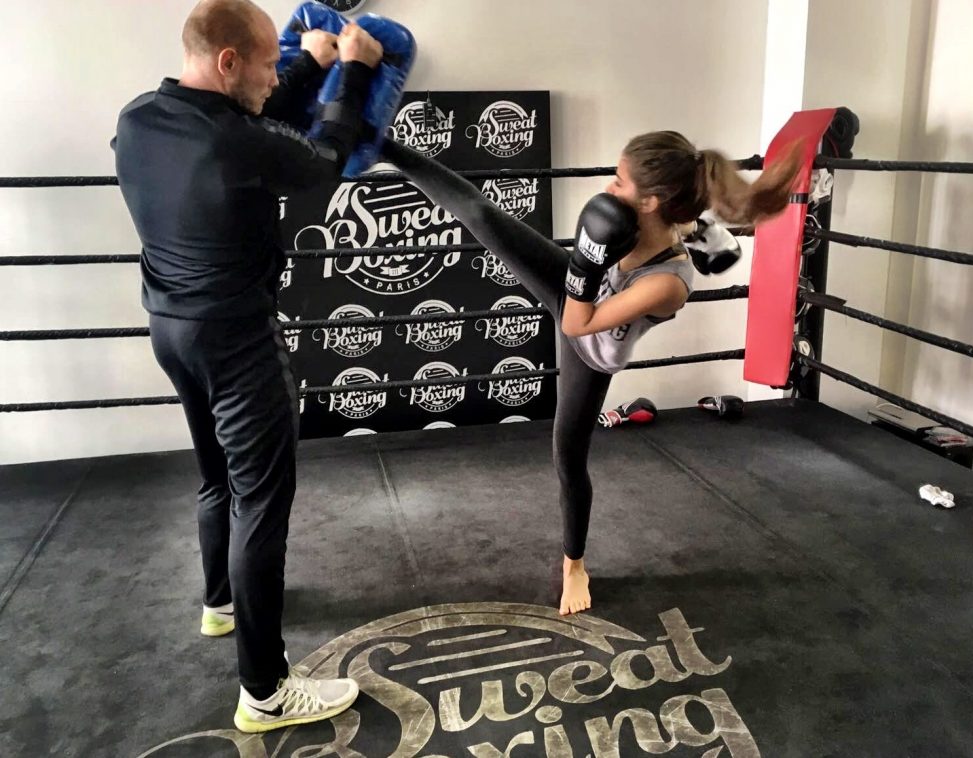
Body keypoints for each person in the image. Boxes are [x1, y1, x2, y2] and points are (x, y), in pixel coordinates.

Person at [380, 132, 800, 616]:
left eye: (619, 181)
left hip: (590, 342)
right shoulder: (657, 210)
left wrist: (586, 259)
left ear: (651, 200)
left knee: (567, 454)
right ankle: (383, 145)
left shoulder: (667, 283)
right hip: (582, 288)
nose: (608, 185)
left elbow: (576, 323)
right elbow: (677, 220)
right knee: (483, 217)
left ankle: (574, 563)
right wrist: (594, 260)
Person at [112, 0, 384, 733]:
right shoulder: (238, 143)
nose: (275, 74)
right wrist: (353, 74)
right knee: (260, 503)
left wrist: (309, 64)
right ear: (228, 61)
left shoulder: (139, 119)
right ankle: (265, 691)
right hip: (236, 341)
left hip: (170, 329)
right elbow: (319, 163)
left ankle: (219, 605)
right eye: (268, 62)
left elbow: (251, 119)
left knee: (215, 479)